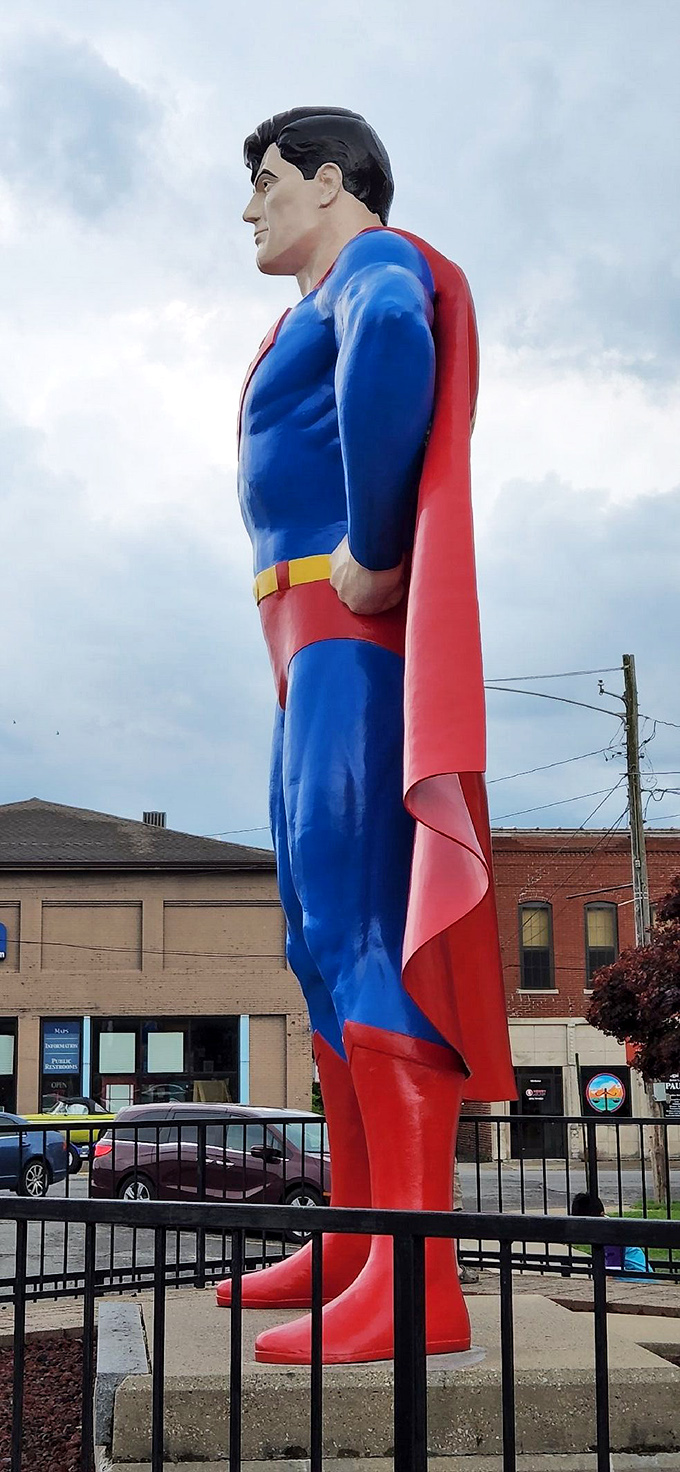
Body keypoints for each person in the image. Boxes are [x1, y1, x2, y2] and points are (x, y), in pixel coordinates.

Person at [216, 106, 515, 1364]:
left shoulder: (374, 270)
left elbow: (394, 336)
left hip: (349, 640)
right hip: (305, 655)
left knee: (354, 929)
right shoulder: (309, 302)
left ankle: (416, 1278)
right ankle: (356, 1235)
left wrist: (380, 547)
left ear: (330, 182)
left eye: (265, 183)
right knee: (310, 935)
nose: (250, 210)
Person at [570, 1192, 654, 1278]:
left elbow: (612, 1273)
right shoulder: (608, 1227)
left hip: (637, 1278)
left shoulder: (611, 1234)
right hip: (635, 1275)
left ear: (602, 1215)